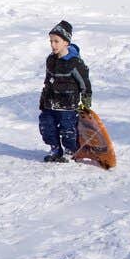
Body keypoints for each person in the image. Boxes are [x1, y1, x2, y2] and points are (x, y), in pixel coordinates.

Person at [38, 20, 92, 163]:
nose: (52, 45)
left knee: (68, 129)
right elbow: (47, 81)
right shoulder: (50, 60)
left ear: (66, 42)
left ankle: (71, 151)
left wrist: (86, 103)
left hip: (68, 105)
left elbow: (85, 83)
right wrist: (43, 101)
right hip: (51, 103)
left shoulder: (74, 62)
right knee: (46, 125)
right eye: (51, 41)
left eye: (56, 41)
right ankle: (55, 149)